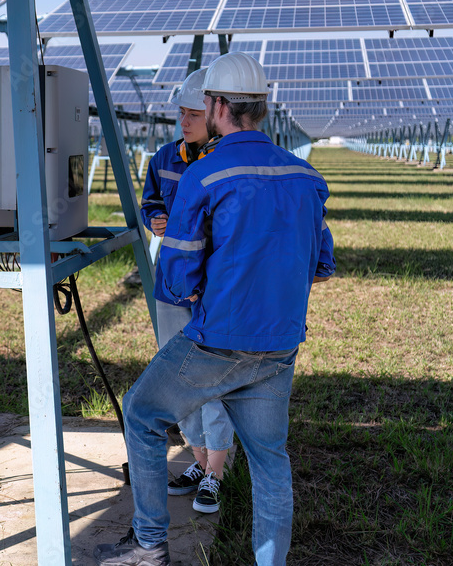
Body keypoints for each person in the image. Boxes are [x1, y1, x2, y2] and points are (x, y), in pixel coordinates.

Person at [96, 52, 336, 566]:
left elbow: (177, 277)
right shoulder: (307, 178)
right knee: (271, 462)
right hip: (278, 347)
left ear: (218, 106)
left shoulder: (205, 175)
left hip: (216, 341)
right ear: (263, 109)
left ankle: (149, 544)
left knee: (141, 412)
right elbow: (321, 265)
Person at [139, 68, 233, 515]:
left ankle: (216, 470)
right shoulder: (164, 158)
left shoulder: (224, 162)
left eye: (194, 112)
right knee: (178, 375)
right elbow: (150, 200)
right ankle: (197, 460)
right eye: (181, 112)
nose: (185, 120)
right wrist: (154, 217)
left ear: (215, 114)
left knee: (211, 377)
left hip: (212, 287)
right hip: (172, 285)